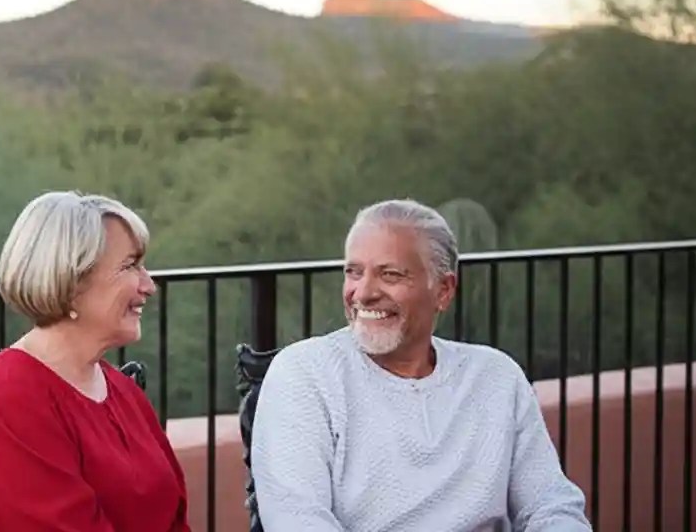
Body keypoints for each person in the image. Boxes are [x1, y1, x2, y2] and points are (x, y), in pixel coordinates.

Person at [251, 199, 591, 531]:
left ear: (443, 289)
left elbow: (550, 505)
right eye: (354, 272)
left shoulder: (495, 377)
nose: (363, 293)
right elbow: (297, 518)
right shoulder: (305, 375)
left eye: (390, 274)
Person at [0, 191, 191, 532]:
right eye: (129, 266)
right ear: (72, 282)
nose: (149, 285)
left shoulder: (121, 390)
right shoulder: (11, 398)